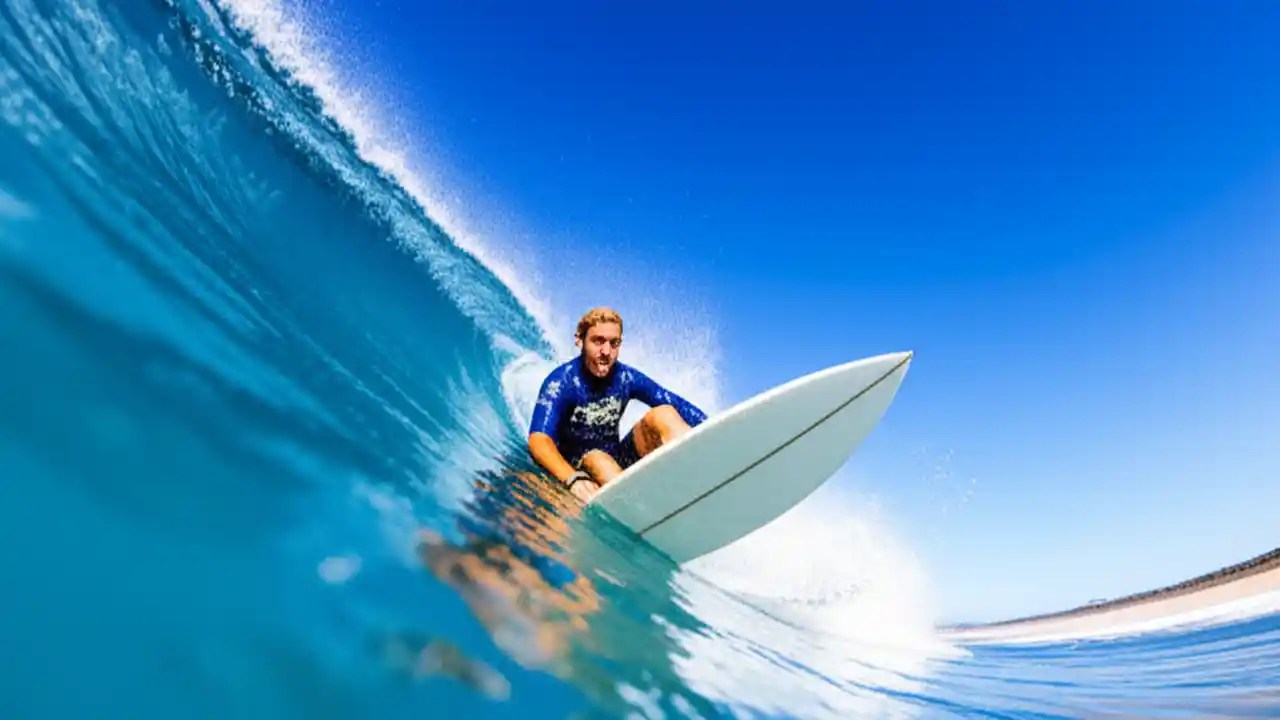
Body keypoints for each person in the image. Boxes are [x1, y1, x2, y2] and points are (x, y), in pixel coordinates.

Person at [528, 307, 707, 501]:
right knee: (598, 459)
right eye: (598, 341)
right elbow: (539, 439)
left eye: (614, 343)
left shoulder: (626, 377)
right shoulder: (562, 381)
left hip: (618, 462)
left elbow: (670, 400)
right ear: (580, 340)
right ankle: (636, 507)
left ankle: (698, 475)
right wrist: (573, 479)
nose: (606, 351)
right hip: (580, 471)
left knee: (664, 413)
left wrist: (711, 428)